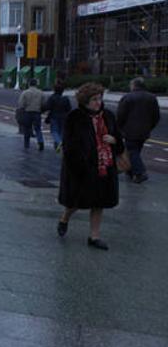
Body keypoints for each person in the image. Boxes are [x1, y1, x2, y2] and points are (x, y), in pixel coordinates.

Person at [57, 82, 125, 251]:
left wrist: (114, 140)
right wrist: (79, 166)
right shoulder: (75, 117)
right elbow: (69, 146)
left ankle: (94, 236)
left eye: (100, 98)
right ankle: (65, 218)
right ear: (85, 101)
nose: (98, 102)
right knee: (76, 201)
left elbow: (119, 142)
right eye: (94, 99)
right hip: (82, 169)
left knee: (99, 203)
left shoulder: (108, 116)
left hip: (104, 167)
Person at [117, 77, 161, 183]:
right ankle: (131, 171)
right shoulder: (152, 98)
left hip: (130, 131)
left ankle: (140, 172)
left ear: (133, 85)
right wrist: (149, 127)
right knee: (136, 150)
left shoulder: (127, 97)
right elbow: (156, 116)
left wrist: (119, 128)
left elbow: (121, 115)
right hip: (144, 131)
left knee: (132, 151)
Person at [42, 83, 72, 152]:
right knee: (61, 131)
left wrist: (42, 109)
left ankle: (59, 142)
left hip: (54, 116)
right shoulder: (65, 99)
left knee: (54, 131)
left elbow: (47, 107)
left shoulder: (52, 98)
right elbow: (69, 109)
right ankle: (57, 147)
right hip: (64, 117)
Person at [18, 78, 46, 150]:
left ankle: (26, 144)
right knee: (38, 129)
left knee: (27, 129)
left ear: (29, 84)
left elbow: (21, 104)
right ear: (36, 84)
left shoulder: (25, 92)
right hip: (37, 112)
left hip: (27, 112)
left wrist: (23, 109)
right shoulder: (41, 92)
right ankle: (40, 142)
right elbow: (44, 104)